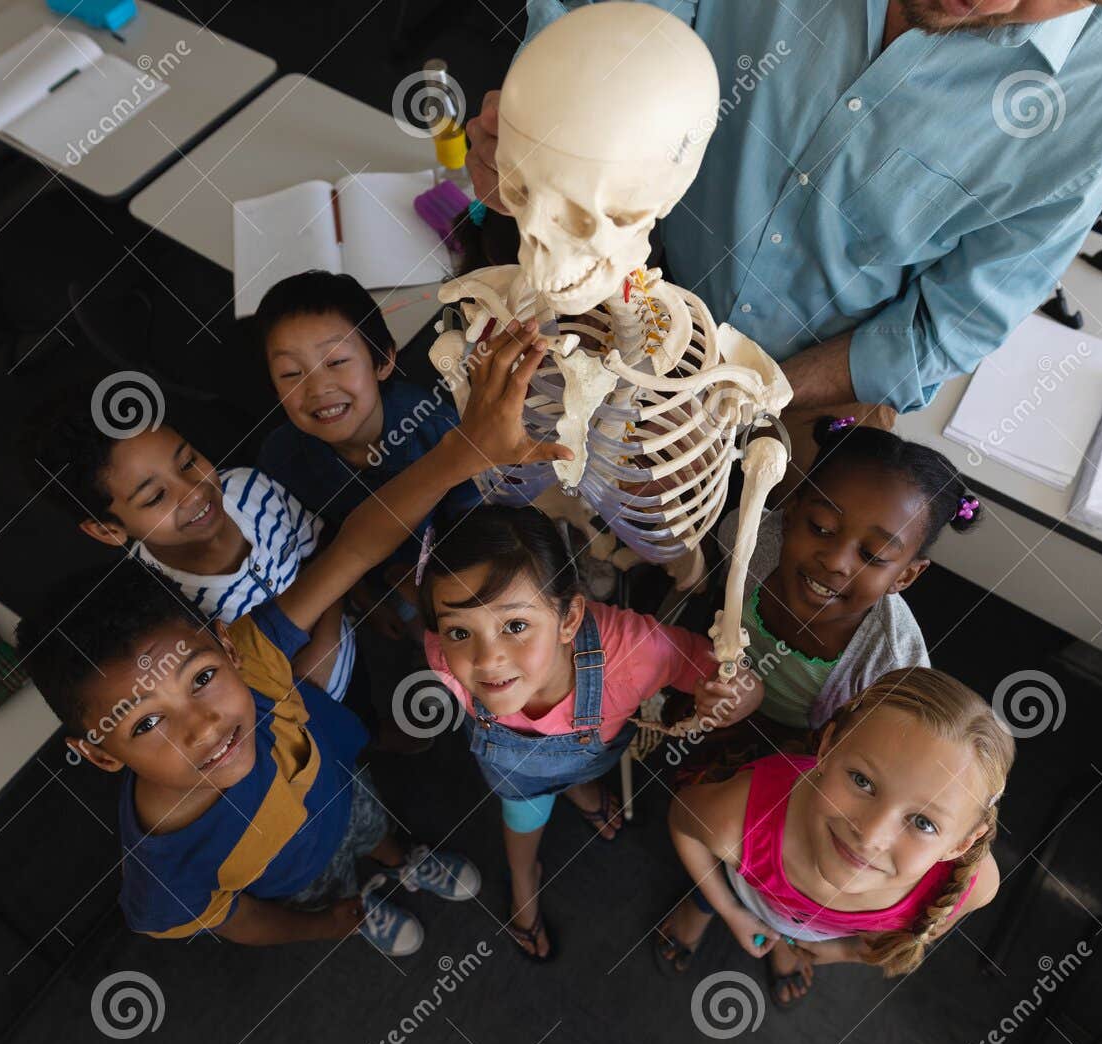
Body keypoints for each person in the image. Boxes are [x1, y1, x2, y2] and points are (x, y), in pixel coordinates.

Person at [17, 323, 568, 950]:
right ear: (98, 753)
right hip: (302, 883)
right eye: (145, 722)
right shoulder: (164, 871)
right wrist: (320, 926)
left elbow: (353, 547)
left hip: (338, 786)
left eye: (203, 678)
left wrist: (463, 450)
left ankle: (400, 856)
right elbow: (235, 918)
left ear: (226, 644)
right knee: (331, 880)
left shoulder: (246, 645)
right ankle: (358, 907)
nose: (204, 725)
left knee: (367, 818)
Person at [469, 0, 1102, 416]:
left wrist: (741, 400)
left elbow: (950, 324)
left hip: (812, 389)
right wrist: (549, 136)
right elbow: (612, 25)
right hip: (626, 282)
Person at [418, 504, 763, 960]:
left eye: (515, 626)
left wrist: (735, 695)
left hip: (588, 758)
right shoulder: (441, 656)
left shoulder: (633, 652)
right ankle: (524, 877)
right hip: (516, 778)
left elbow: (723, 674)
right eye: (461, 632)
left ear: (568, 618)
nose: (486, 660)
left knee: (565, 778)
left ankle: (576, 789)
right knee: (522, 814)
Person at [657, 666, 1012, 1008]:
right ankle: (702, 905)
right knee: (716, 882)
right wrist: (728, 908)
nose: (869, 836)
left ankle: (786, 942)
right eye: (862, 781)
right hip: (746, 886)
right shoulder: (739, 818)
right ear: (827, 748)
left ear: (961, 844)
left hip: (808, 929)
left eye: (923, 823)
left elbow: (926, 928)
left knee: (789, 933)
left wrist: (843, 951)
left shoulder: (971, 885)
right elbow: (683, 820)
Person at [256, 271, 481, 746]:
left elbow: (474, 521)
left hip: (451, 576)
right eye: (292, 374)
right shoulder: (281, 460)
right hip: (369, 591)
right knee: (391, 661)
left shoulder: (435, 426)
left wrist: (432, 593)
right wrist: (366, 597)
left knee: (466, 654)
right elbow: (314, 546)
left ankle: (476, 709)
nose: (317, 388)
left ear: (383, 360)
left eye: (336, 361)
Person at [26, 394, 353, 699]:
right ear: (108, 530)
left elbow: (323, 549)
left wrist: (328, 643)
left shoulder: (250, 488)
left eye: (187, 462)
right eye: (156, 496)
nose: (194, 492)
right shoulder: (156, 606)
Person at [711, 418, 982, 749]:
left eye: (873, 554)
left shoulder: (894, 665)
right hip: (708, 682)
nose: (836, 562)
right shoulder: (746, 542)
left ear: (905, 576)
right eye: (821, 527)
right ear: (791, 515)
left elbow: (886, 750)